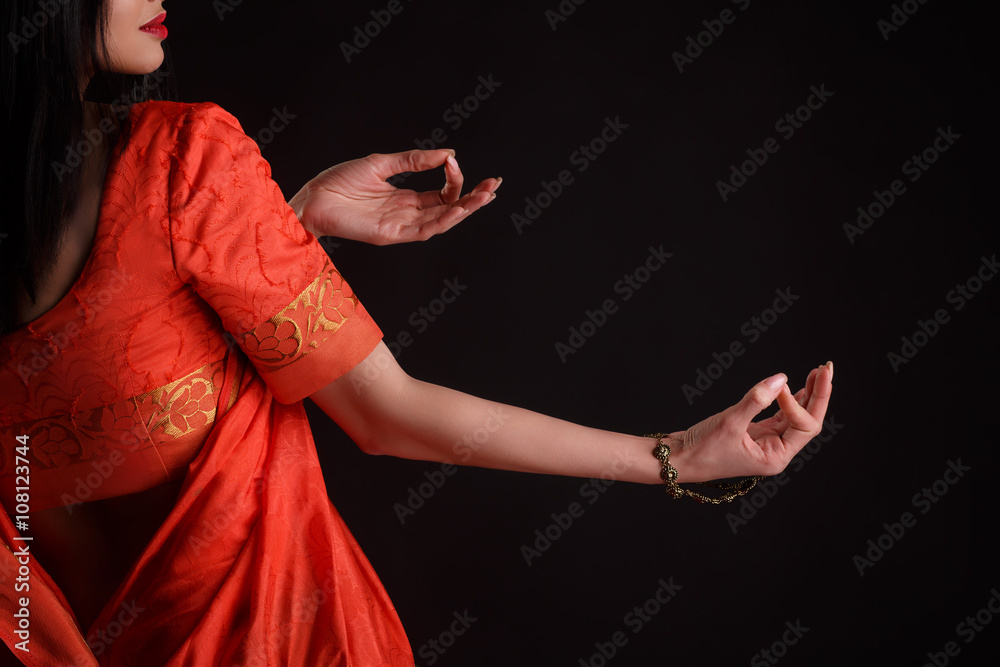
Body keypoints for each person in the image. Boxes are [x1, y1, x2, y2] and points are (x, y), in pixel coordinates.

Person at [0, 1, 833, 665]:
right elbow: (384, 414)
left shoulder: (164, 185)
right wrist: (675, 453)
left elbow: (123, 368)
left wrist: (280, 231)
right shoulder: (183, 156)